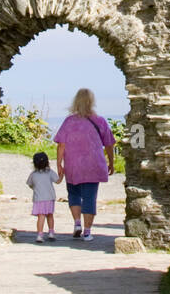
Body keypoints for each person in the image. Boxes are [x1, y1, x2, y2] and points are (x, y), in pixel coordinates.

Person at [53, 88, 116, 241]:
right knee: (89, 197)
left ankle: (77, 224)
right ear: (91, 101)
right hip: (93, 164)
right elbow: (109, 144)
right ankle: (87, 231)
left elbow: (61, 144)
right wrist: (111, 162)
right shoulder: (99, 121)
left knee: (73, 194)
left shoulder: (69, 121)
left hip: (73, 165)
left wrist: (59, 164)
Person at [26, 151, 62, 243]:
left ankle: (40, 235)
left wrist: (35, 188)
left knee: (41, 216)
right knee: (50, 215)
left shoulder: (33, 174)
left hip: (38, 198)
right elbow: (58, 181)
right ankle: (51, 232)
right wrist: (62, 174)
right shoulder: (49, 172)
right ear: (47, 162)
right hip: (50, 197)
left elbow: (30, 184)